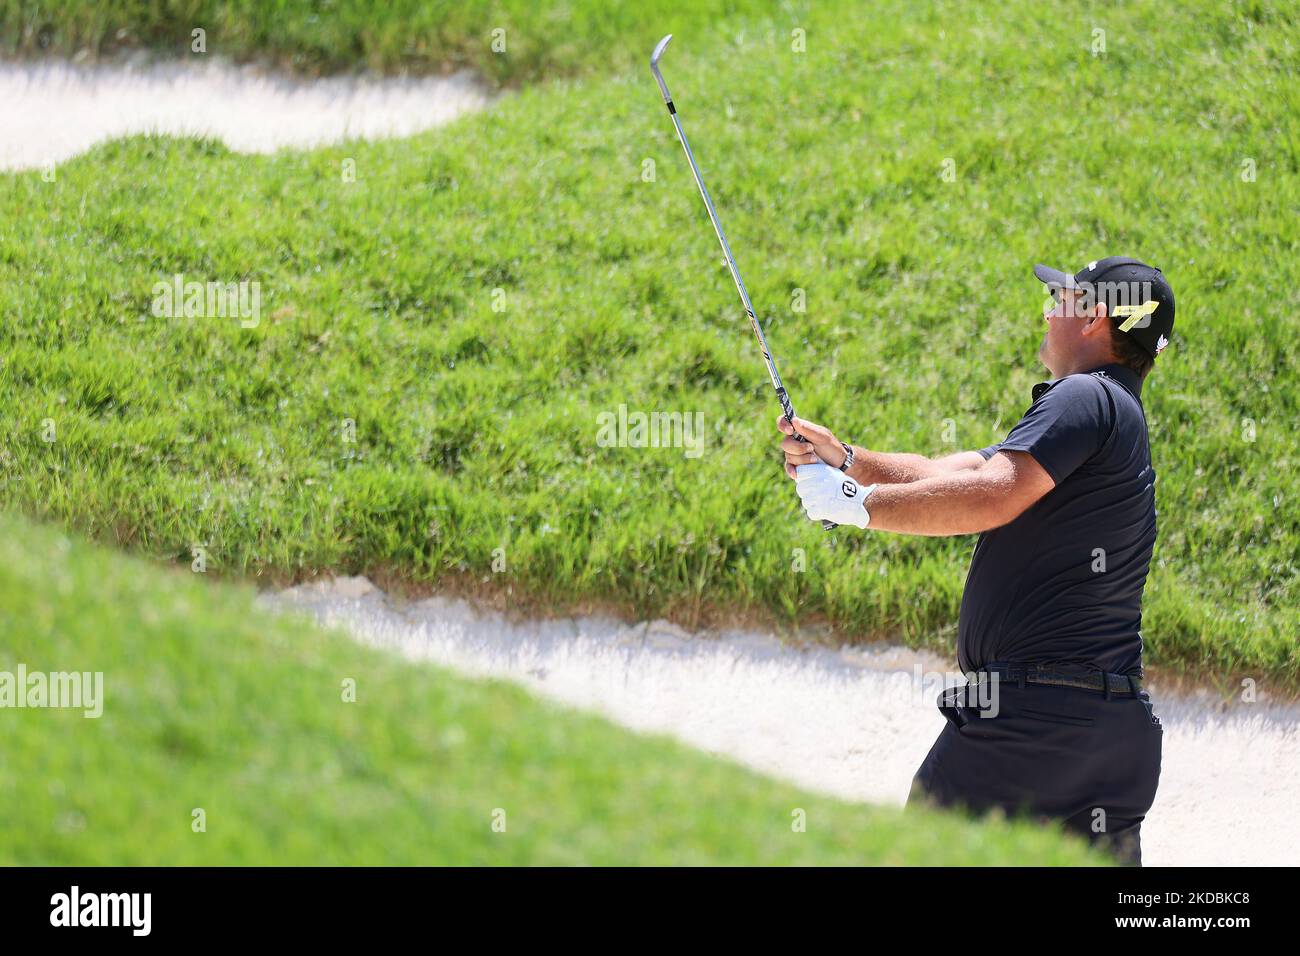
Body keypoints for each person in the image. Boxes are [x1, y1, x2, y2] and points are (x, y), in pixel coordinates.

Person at [778, 257, 1175, 865]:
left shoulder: (1083, 396)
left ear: (1095, 316)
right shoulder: (1112, 412)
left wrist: (857, 506)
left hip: (1031, 729)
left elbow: (993, 493)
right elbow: (958, 472)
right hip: (1111, 736)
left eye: (1060, 299)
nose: (1048, 309)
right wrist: (847, 460)